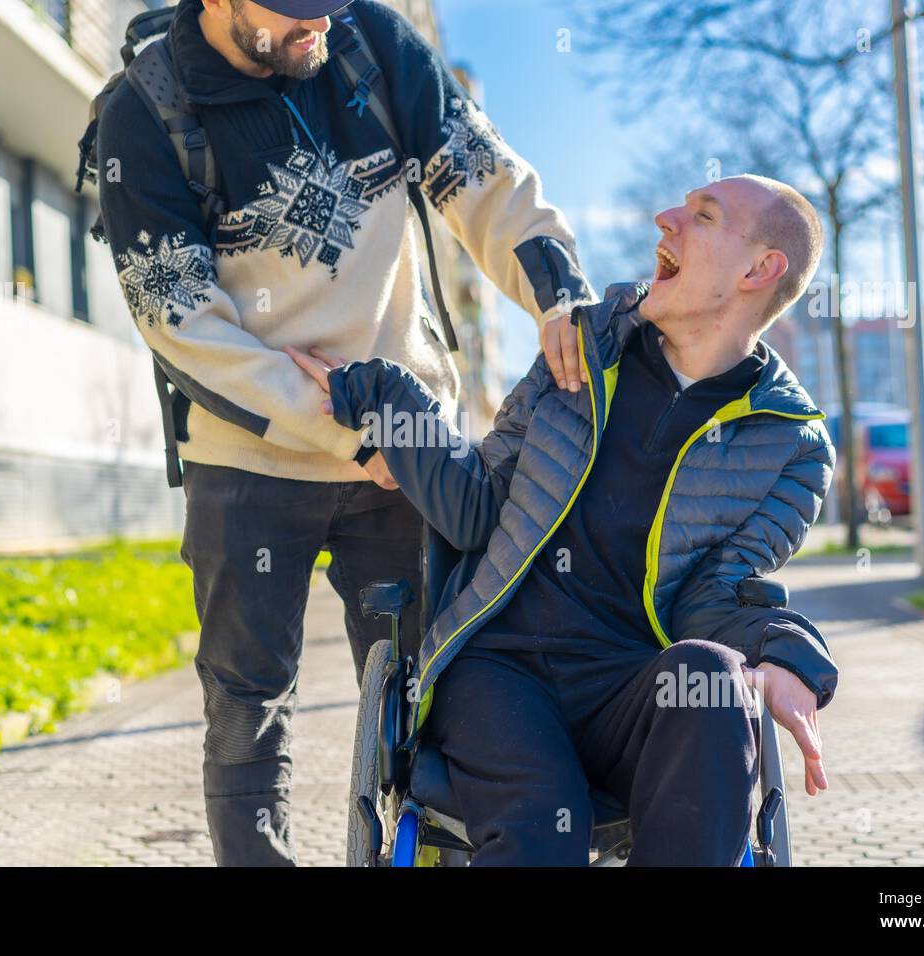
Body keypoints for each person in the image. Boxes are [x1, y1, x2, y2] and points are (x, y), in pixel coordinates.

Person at [96, 0, 596, 866]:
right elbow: (183, 326)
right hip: (250, 459)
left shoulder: (374, 42)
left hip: (407, 447)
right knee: (246, 707)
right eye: (290, 13)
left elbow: (487, 184)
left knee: (436, 692)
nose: (316, 27)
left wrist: (558, 288)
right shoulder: (141, 115)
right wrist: (347, 434)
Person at [290, 174, 839, 865]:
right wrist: (385, 398)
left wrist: (786, 653)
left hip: (627, 688)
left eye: (702, 216)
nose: (665, 218)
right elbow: (478, 508)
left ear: (761, 269)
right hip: (500, 670)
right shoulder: (580, 352)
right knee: (545, 822)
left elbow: (716, 594)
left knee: (715, 678)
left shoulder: (790, 446)